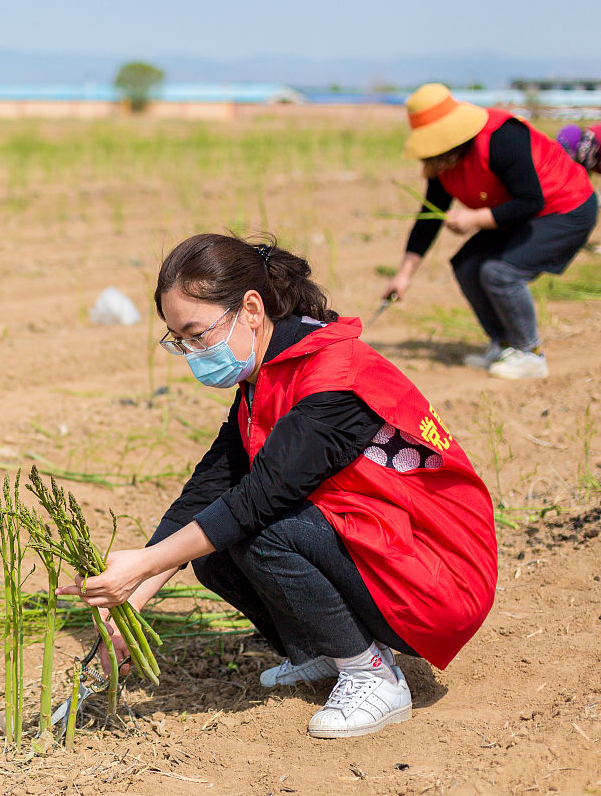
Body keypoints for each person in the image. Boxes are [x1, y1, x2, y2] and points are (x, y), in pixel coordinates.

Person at [59, 234, 498, 739]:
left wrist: (142, 565)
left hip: (440, 577)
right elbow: (209, 489)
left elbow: (257, 500)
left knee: (255, 531)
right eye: (178, 339)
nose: (191, 353)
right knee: (210, 550)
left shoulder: (333, 378)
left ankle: (373, 676)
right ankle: (323, 651)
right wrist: (134, 600)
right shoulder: (264, 376)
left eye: (197, 334)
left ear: (251, 309)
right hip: (387, 545)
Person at [383, 83, 597, 380]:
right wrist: (403, 275)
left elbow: (530, 200)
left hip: (567, 207)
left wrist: (475, 219)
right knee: (466, 265)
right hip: (517, 214)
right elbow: (429, 218)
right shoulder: (442, 162)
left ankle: (530, 354)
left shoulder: (501, 138)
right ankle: (504, 345)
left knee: (499, 273)